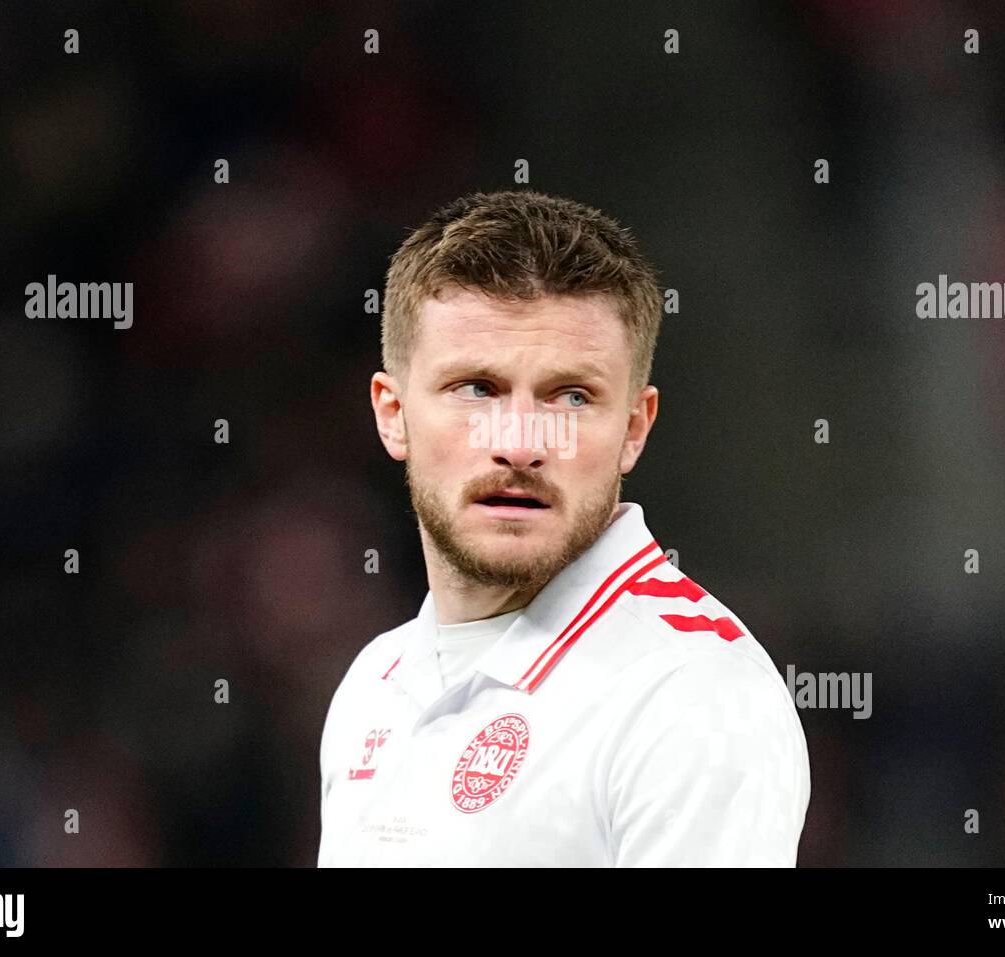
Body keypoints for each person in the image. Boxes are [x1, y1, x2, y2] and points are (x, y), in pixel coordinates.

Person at [317, 190, 810, 866]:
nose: (520, 443)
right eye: (477, 388)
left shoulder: (693, 693)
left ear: (634, 429)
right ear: (392, 412)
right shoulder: (373, 683)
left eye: (571, 397)